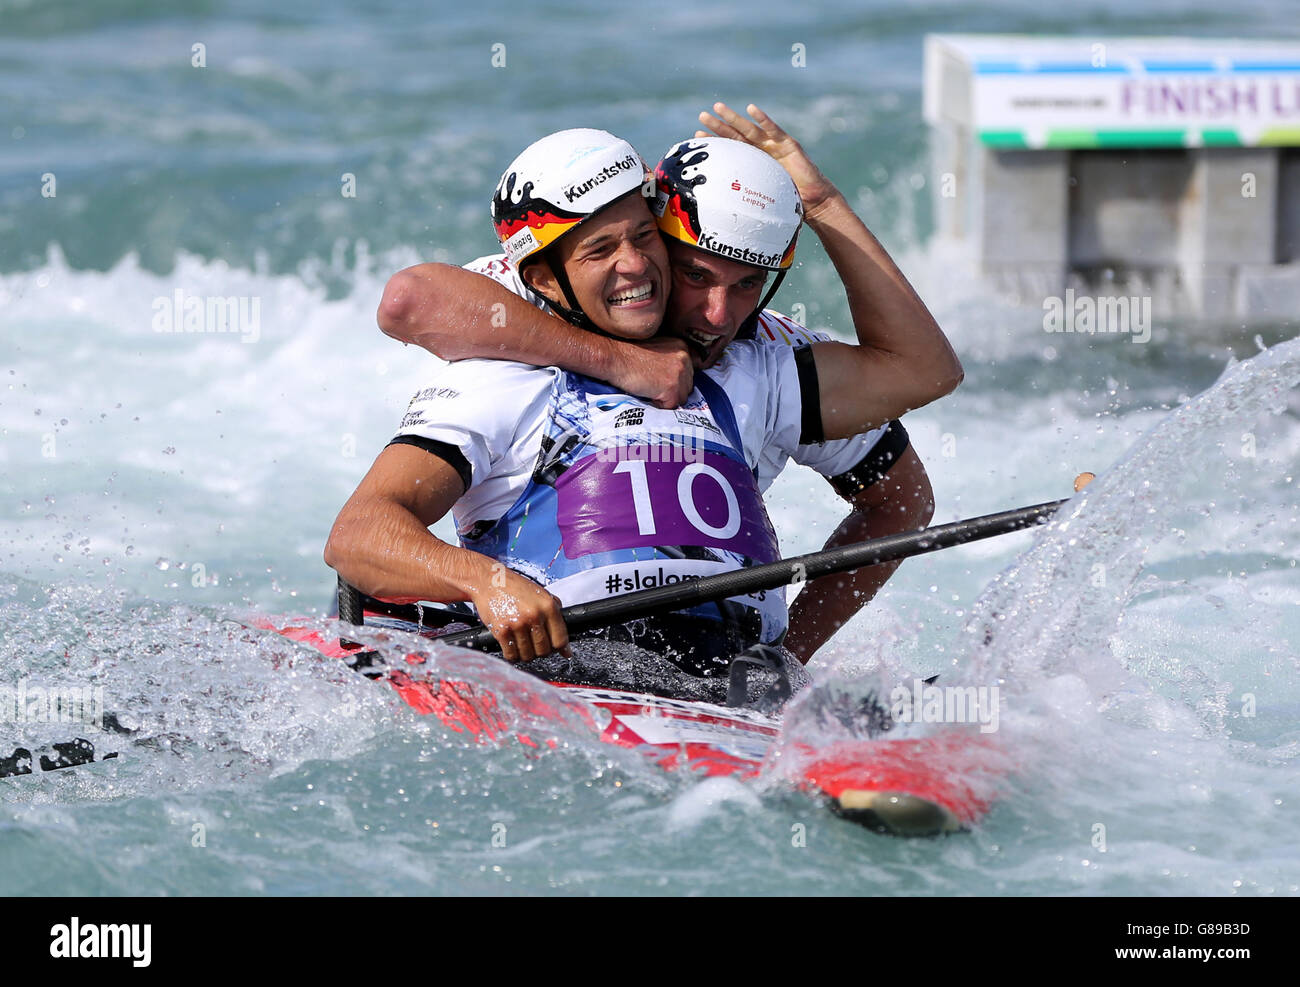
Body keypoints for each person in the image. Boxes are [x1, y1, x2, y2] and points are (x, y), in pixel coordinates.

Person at [326, 123, 959, 695]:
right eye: (600, 251)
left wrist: (788, 658)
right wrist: (482, 584)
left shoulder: (763, 363)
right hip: (565, 668)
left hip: (727, 680)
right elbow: (359, 533)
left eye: (641, 240)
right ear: (544, 279)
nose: (634, 266)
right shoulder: (504, 367)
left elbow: (917, 405)